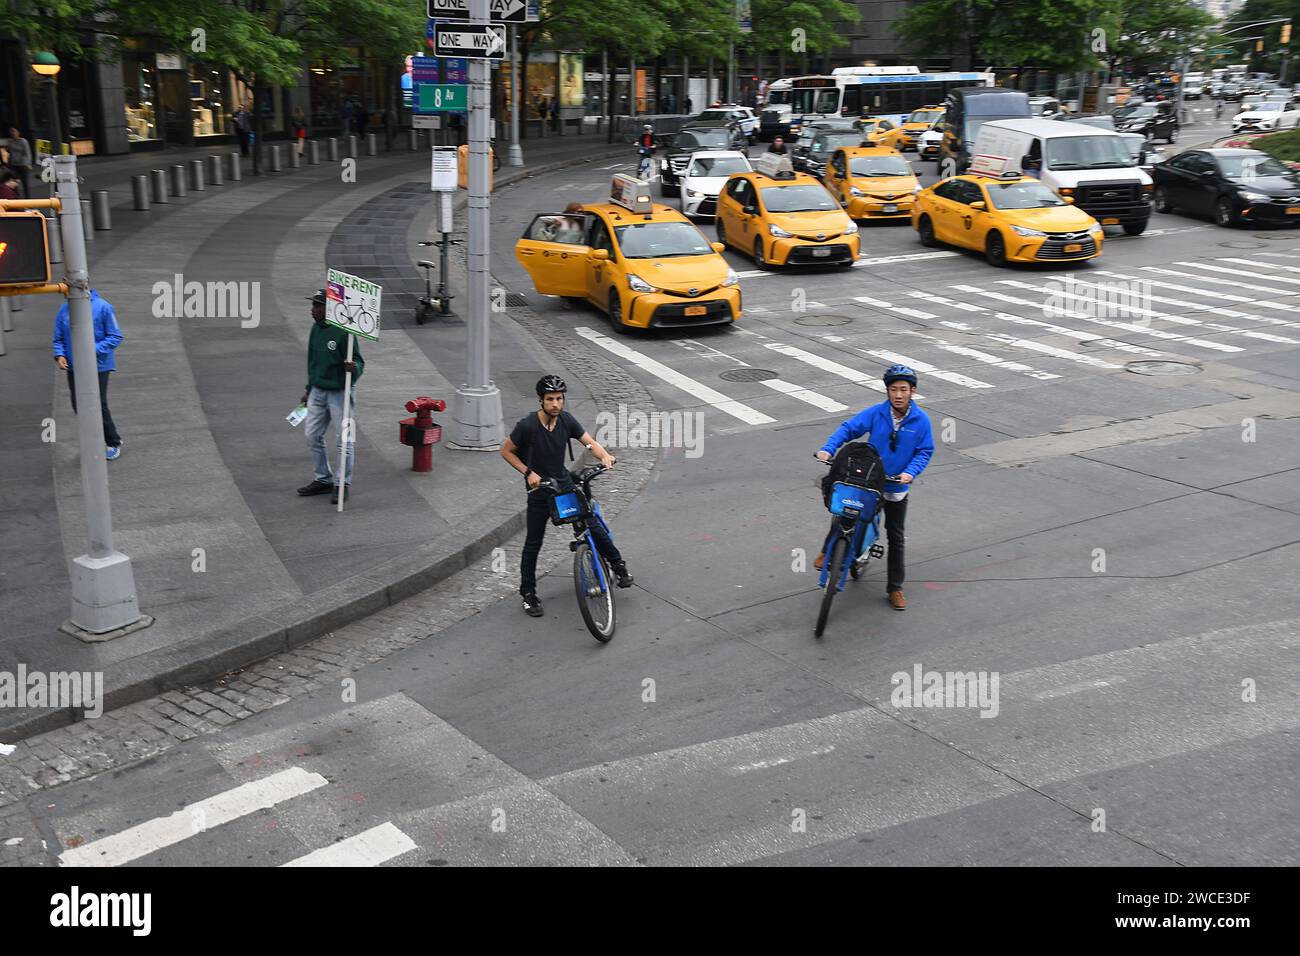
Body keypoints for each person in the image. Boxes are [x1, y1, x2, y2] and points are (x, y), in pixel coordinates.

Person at [500, 375, 633, 618]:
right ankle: (528, 594)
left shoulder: (565, 420)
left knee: (591, 524)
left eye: (559, 399)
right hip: (540, 490)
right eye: (550, 399)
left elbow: (589, 442)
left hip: (563, 483)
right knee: (533, 543)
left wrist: (604, 455)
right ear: (541, 400)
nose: (556, 404)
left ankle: (618, 566)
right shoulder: (527, 426)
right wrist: (528, 472)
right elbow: (506, 451)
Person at [813, 365, 934, 611]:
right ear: (887, 391)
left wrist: (909, 473)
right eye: (893, 389)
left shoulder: (921, 421)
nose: (898, 395)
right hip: (870, 481)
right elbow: (849, 428)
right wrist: (829, 448)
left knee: (896, 536)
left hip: (896, 488)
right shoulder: (876, 414)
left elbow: (925, 451)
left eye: (903, 389)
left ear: (913, 391)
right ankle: (828, 551)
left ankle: (895, 588)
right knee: (844, 514)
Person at [297, 290, 364, 504]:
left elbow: (359, 362)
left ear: (330, 308)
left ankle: (342, 483)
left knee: (344, 439)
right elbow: (312, 362)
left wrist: (353, 368)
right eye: (314, 305)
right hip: (318, 390)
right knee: (312, 435)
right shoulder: (315, 330)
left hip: (340, 392)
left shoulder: (345, 332)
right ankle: (323, 479)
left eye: (317, 305)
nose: (313, 310)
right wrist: (309, 390)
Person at [52, 289, 124, 460]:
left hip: (98, 366)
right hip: (74, 367)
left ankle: (112, 441)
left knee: (98, 403)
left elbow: (115, 336)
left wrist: (90, 350)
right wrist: (60, 355)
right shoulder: (64, 309)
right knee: (78, 404)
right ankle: (94, 441)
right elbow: (58, 338)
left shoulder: (103, 307)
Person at [4, 127, 32, 197]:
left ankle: (28, 199)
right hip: (13, 165)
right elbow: (8, 151)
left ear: (18, 132)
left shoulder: (23, 141)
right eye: (11, 132)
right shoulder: (10, 141)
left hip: (23, 164)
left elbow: (28, 153)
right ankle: (16, 198)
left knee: (25, 183)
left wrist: (28, 163)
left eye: (14, 131)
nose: (13, 133)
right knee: (13, 183)